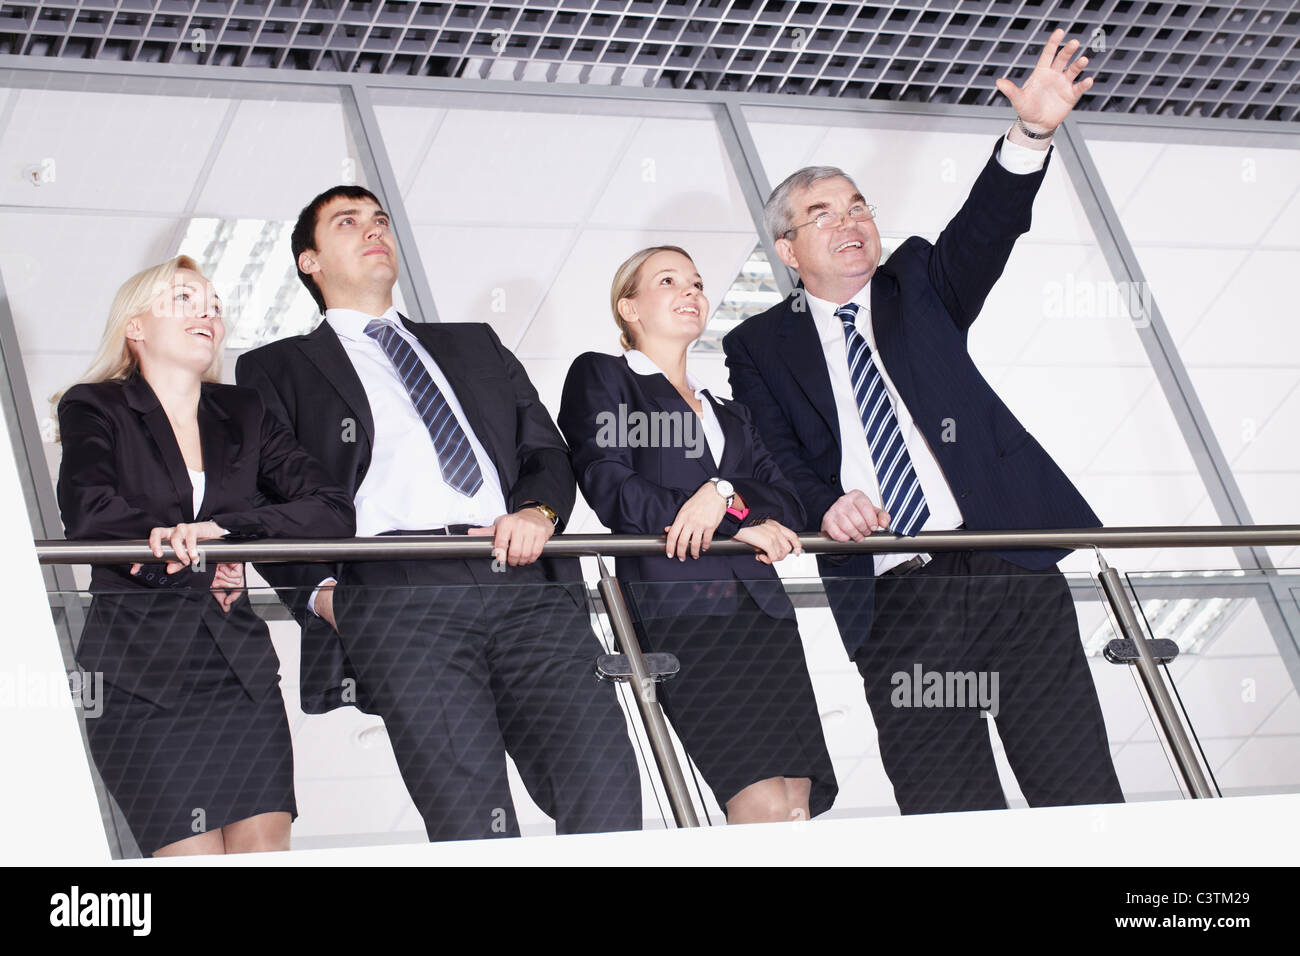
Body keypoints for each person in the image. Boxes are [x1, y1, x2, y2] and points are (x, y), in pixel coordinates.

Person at [722, 29, 1125, 814]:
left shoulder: (917, 281)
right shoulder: (758, 346)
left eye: (858, 206)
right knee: (949, 814)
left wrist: (1030, 134)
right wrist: (824, 506)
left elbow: (986, 231)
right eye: (822, 214)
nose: (850, 221)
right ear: (788, 250)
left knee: (1077, 792)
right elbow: (773, 455)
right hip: (894, 599)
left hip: (1007, 568)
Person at [235, 185, 642, 841]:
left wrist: (538, 511)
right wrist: (319, 593)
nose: (374, 229)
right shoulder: (274, 368)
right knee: (468, 813)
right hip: (395, 591)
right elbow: (260, 495)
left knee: (603, 775)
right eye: (348, 222)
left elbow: (543, 449)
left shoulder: (475, 344)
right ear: (310, 262)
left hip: (521, 578)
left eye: (380, 219)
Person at [55, 255, 356, 856]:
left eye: (215, 305)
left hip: (241, 676)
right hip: (139, 676)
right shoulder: (95, 405)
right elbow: (89, 511)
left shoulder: (244, 411)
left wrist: (226, 531)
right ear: (135, 327)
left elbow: (329, 508)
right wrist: (183, 547)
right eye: (185, 300)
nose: (209, 313)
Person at [560, 246, 838, 824]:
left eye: (696, 282)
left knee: (796, 798)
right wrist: (733, 514)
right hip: (682, 610)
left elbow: (787, 501)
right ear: (629, 308)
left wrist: (722, 495)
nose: (691, 291)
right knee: (757, 793)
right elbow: (611, 485)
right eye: (668, 281)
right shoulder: (605, 376)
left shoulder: (730, 412)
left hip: (764, 612)